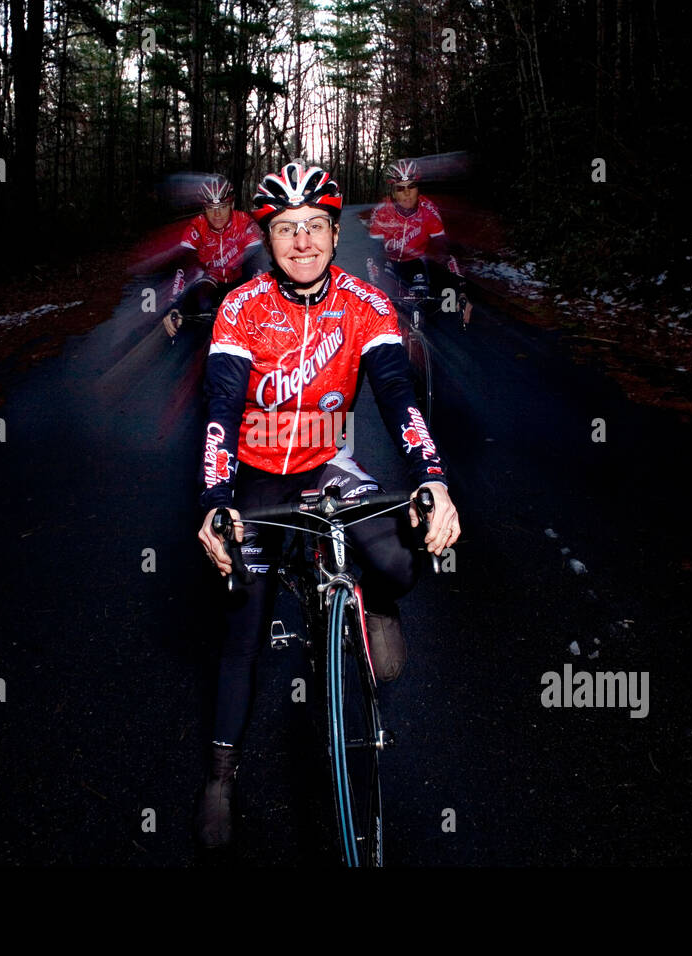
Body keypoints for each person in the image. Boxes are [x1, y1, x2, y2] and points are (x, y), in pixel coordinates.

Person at [191, 161, 462, 848]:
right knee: (243, 624)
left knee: (401, 558)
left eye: (315, 226)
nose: (303, 241)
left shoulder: (367, 306)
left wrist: (432, 477)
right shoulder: (241, 307)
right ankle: (220, 777)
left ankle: (377, 603)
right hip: (257, 471)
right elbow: (220, 408)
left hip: (330, 461)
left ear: (337, 233)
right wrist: (217, 500)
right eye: (287, 229)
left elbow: (399, 399)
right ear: (268, 238)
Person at [160, 174, 270, 337]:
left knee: (251, 294)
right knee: (201, 302)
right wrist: (174, 305)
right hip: (212, 279)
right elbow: (183, 268)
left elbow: (258, 263)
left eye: (223, 206)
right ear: (204, 208)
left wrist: (262, 301)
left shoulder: (245, 223)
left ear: (232, 204)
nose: (217, 214)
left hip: (240, 279)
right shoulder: (196, 227)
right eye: (211, 208)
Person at [367, 159, 473, 326]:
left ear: (418, 189)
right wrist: (375, 288)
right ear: (393, 192)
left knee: (419, 305)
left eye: (412, 186)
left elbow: (446, 254)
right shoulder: (381, 212)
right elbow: (373, 255)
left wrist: (460, 291)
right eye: (400, 188)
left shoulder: (429, 211)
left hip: (415, 264)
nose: (407, 193)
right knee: (385, 307)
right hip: (388, 262)